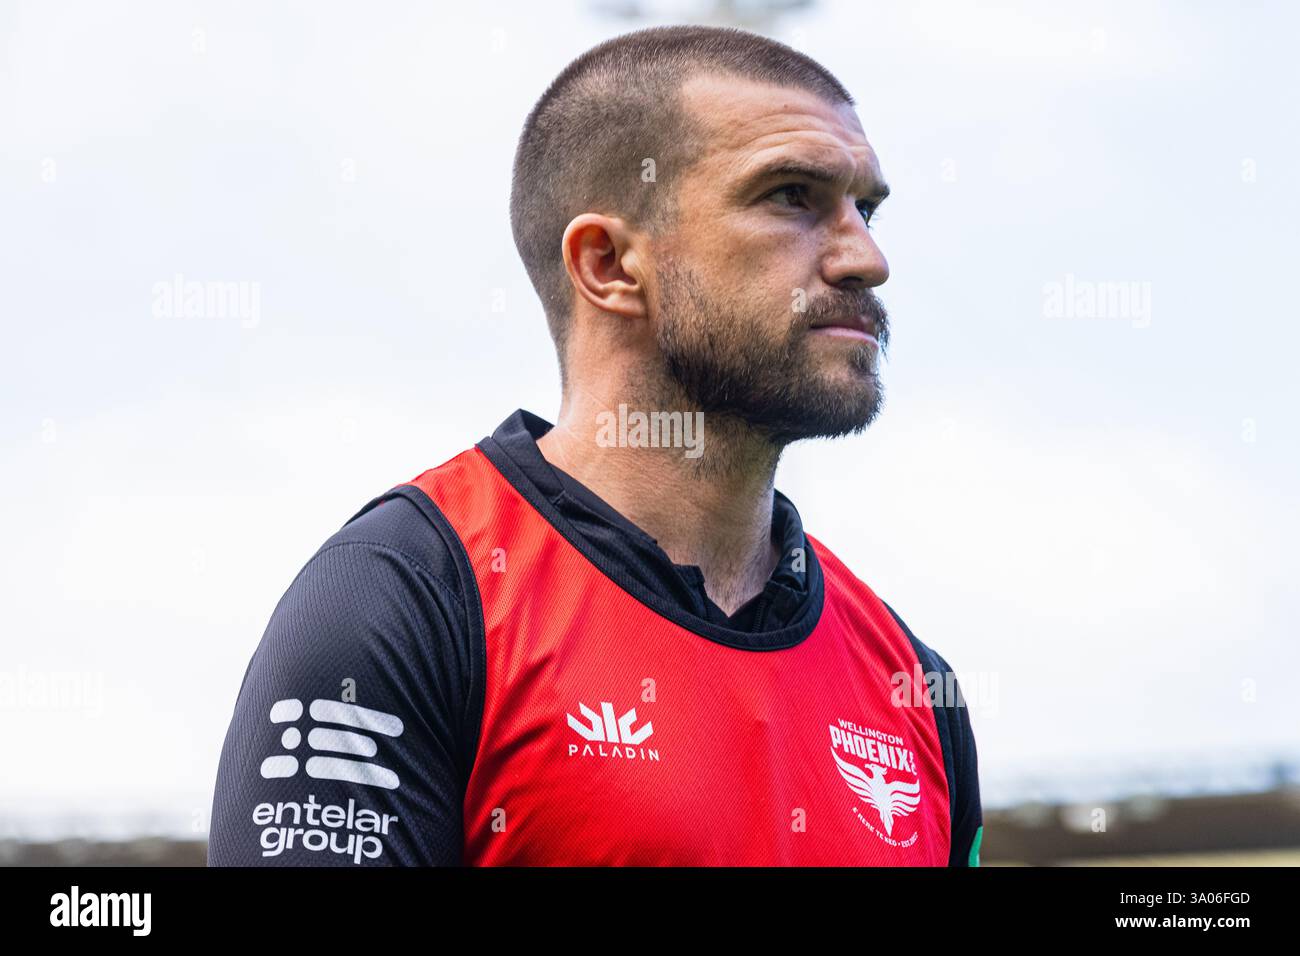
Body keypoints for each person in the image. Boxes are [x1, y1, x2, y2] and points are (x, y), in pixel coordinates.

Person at [208, 24, 982, 867]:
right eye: (792, 196)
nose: (866, 259)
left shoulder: (910, 681)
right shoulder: (405, 599)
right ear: (609, 263)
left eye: (864, 209)